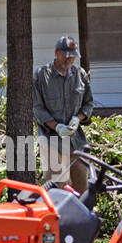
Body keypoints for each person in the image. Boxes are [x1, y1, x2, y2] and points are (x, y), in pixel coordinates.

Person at [33, 35, 94, 192]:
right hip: (51, 140)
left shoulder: (80, 74)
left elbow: (88, 103)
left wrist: (77, 119)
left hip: (76, 142)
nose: (70, 60)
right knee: (57, 189)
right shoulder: (41, 76)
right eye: (66, 56)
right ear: (57, 53)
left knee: (82, 188)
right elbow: (37, 108)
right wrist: (57, 127)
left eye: (73, 56)